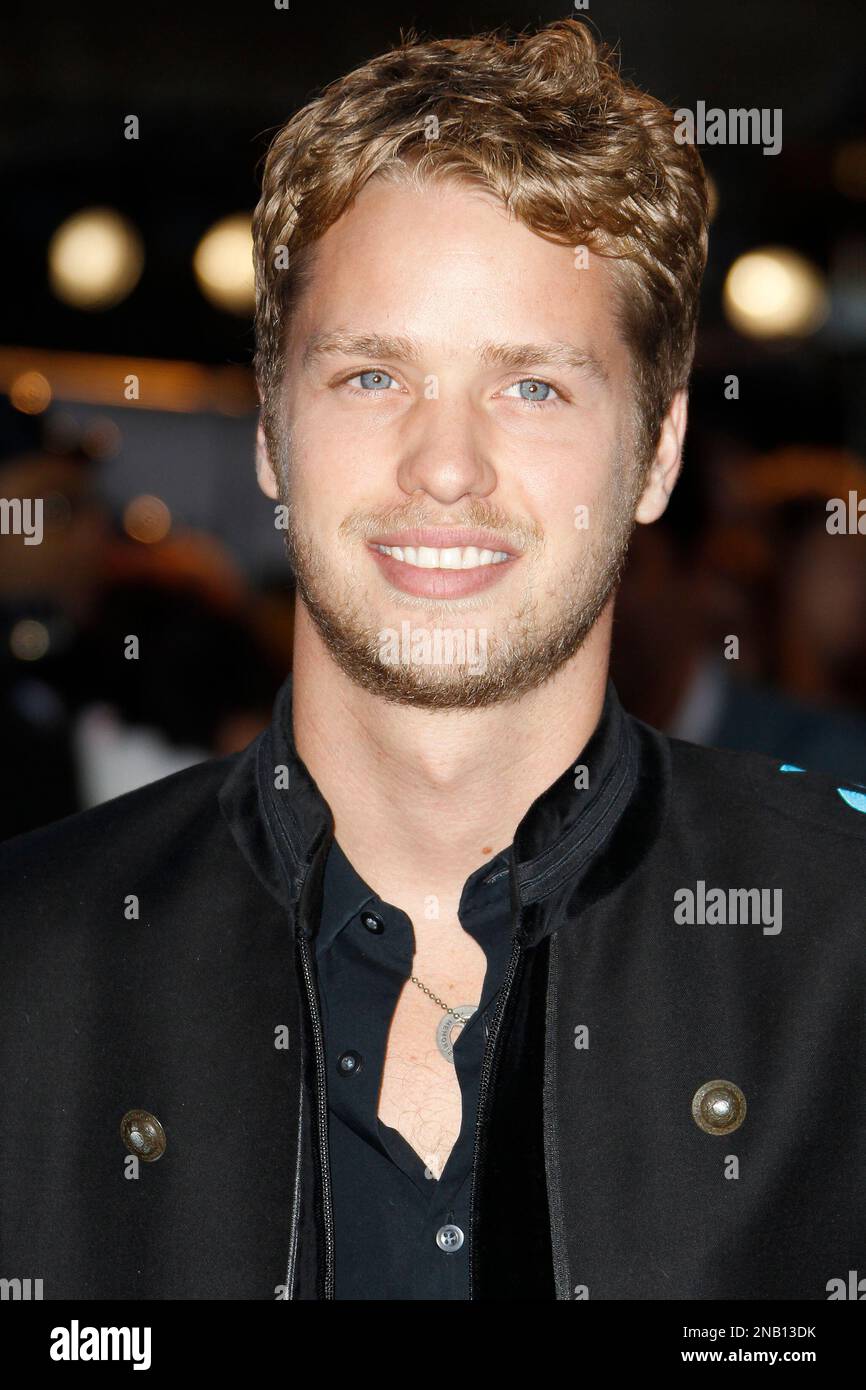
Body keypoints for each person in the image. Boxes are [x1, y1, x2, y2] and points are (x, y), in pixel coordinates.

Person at [1, 18, 863, 1301]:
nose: (444, 467)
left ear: (660, 452)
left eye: (532, 388)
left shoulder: (841, 950)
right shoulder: (31, 969)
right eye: (369, 377)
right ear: (270, 431)